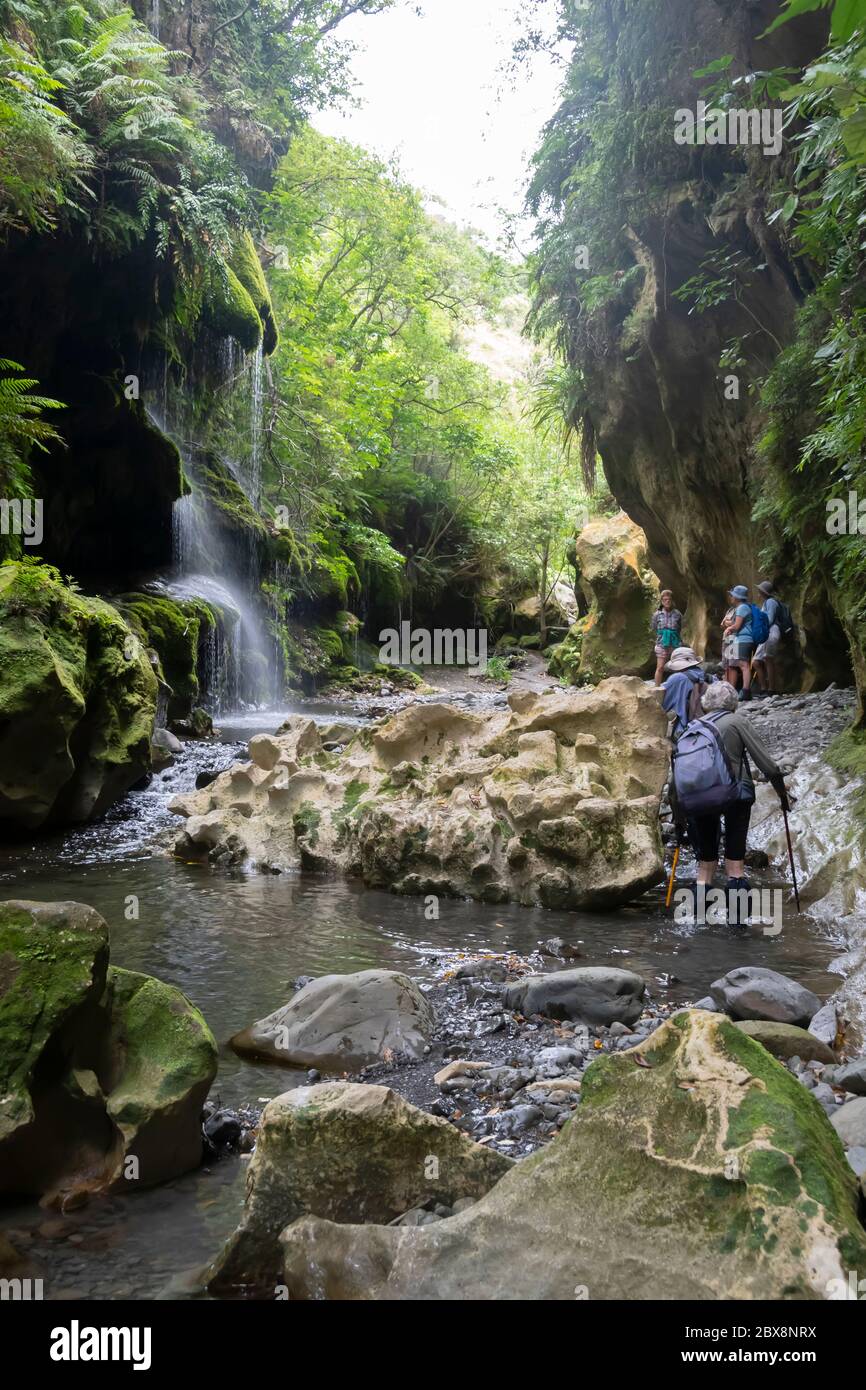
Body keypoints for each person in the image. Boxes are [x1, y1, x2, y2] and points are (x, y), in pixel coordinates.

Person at [675, 681, 793, 923]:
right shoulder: (736, 721)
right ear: (732, 703)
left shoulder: (692, 727)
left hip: (699, 798)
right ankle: (737, 926)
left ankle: (698, 923)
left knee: (705, 864)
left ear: (707, 703)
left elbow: (677, 772)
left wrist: (678, 813)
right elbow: (768, 765)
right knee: (735, 863)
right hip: (736, 796)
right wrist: (782, 794)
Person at [662, 646, 709, 738]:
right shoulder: (706, 676)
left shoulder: (677, 679)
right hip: (707, 726)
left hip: (685, 730)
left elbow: (663, 706)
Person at [752, 580, 785, 696]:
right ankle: (763, 689)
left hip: (771, 631)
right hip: (767, 632)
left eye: (760, 590)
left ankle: (771, 689)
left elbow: (769, 619)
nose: (758, 592)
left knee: (768, 659)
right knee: (756, 662)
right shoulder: (767, 602)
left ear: (763, 592)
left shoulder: (771, 602)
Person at [722, 584, 754, 702]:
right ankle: (735, 690)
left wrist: (729, 628)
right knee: (734, 665)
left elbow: (737, 625)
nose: (731, 597)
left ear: (737, 597)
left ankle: (746, 691)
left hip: (743, 639)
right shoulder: (742, 607)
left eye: (732, 595)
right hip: (737, 639)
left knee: (743, 665)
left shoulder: (742, 608)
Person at [651, 590, 683, 686]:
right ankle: (657, 689)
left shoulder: (678, 614)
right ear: (661, 601)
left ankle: (676, 688)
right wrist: (664, 635)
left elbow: (680, 627)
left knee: (677, 668)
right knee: (660, 668)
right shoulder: (657, 614)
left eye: (669, 599)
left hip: (675, 643)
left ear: (672, 600)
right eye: (665, 600)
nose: (667, 601)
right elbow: (654, 627)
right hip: (662, 644)